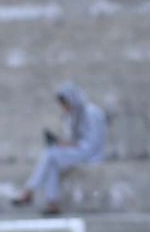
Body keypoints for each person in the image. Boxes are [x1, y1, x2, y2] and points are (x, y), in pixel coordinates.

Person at [11, 82, 107, 216]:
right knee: (52, 160)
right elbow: (74, 139)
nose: (64, 107)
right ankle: (52, 204)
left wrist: (67, 145)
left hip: (92, 154)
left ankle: (29, 191)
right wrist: (61, 143)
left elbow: (93, 143)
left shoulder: (91, 112)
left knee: (51, 154)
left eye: (65, 103)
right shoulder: (72, 116)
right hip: (78, 151)